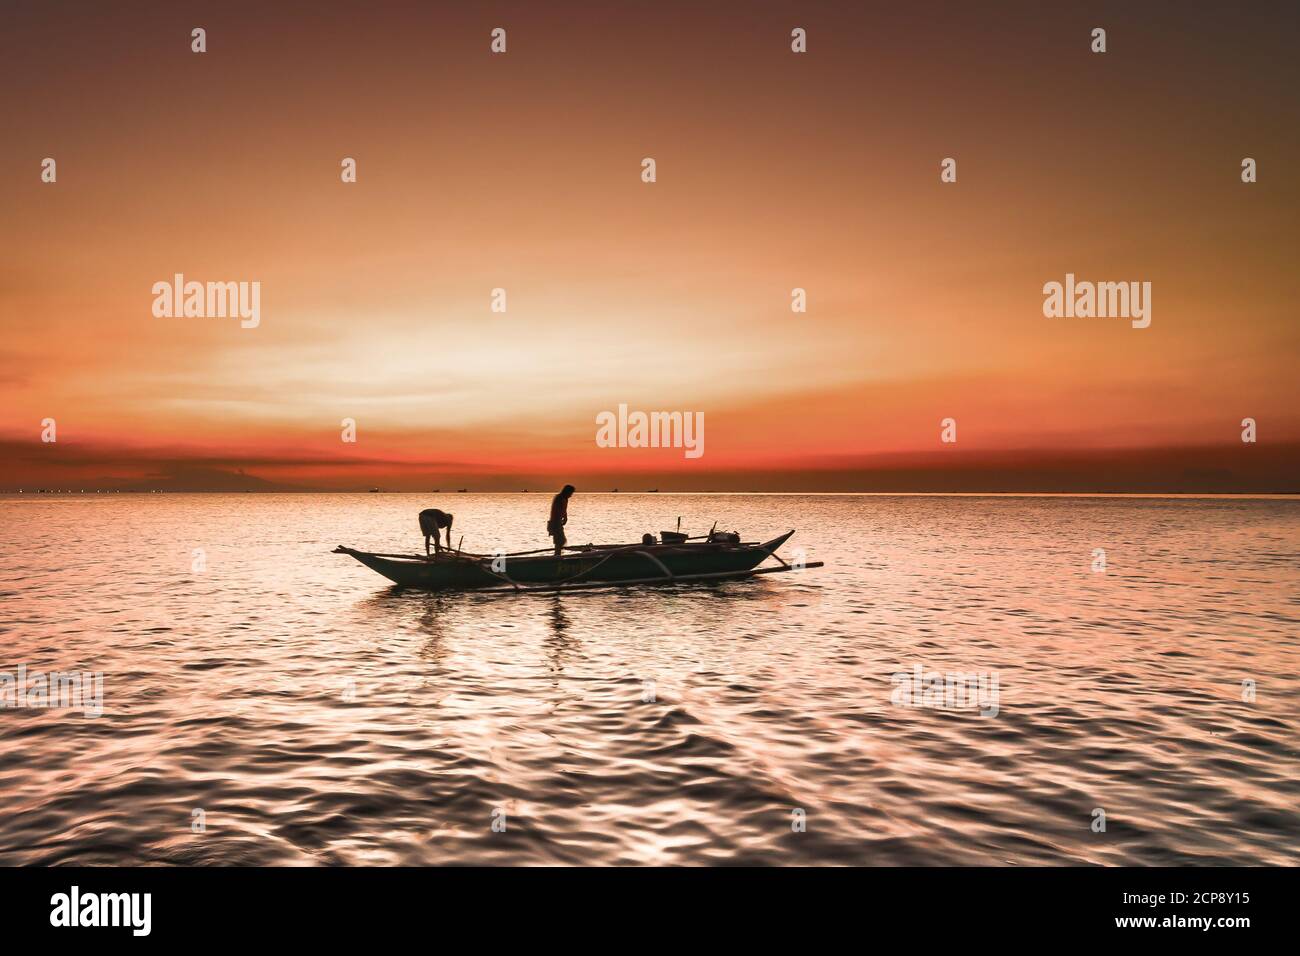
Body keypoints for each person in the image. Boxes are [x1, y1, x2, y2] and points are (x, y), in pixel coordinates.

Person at [547, 485, 575, 557]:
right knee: (560, 541)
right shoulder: (559, 498)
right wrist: (558, 521)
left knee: (561, 541)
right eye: (570, 493)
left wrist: (565, 517)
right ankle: (557, 556)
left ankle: (558, 555)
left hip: (558, 522)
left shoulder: (565, 499)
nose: (571, 495)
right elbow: (556, 510)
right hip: (555, 522)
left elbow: (564, 509)